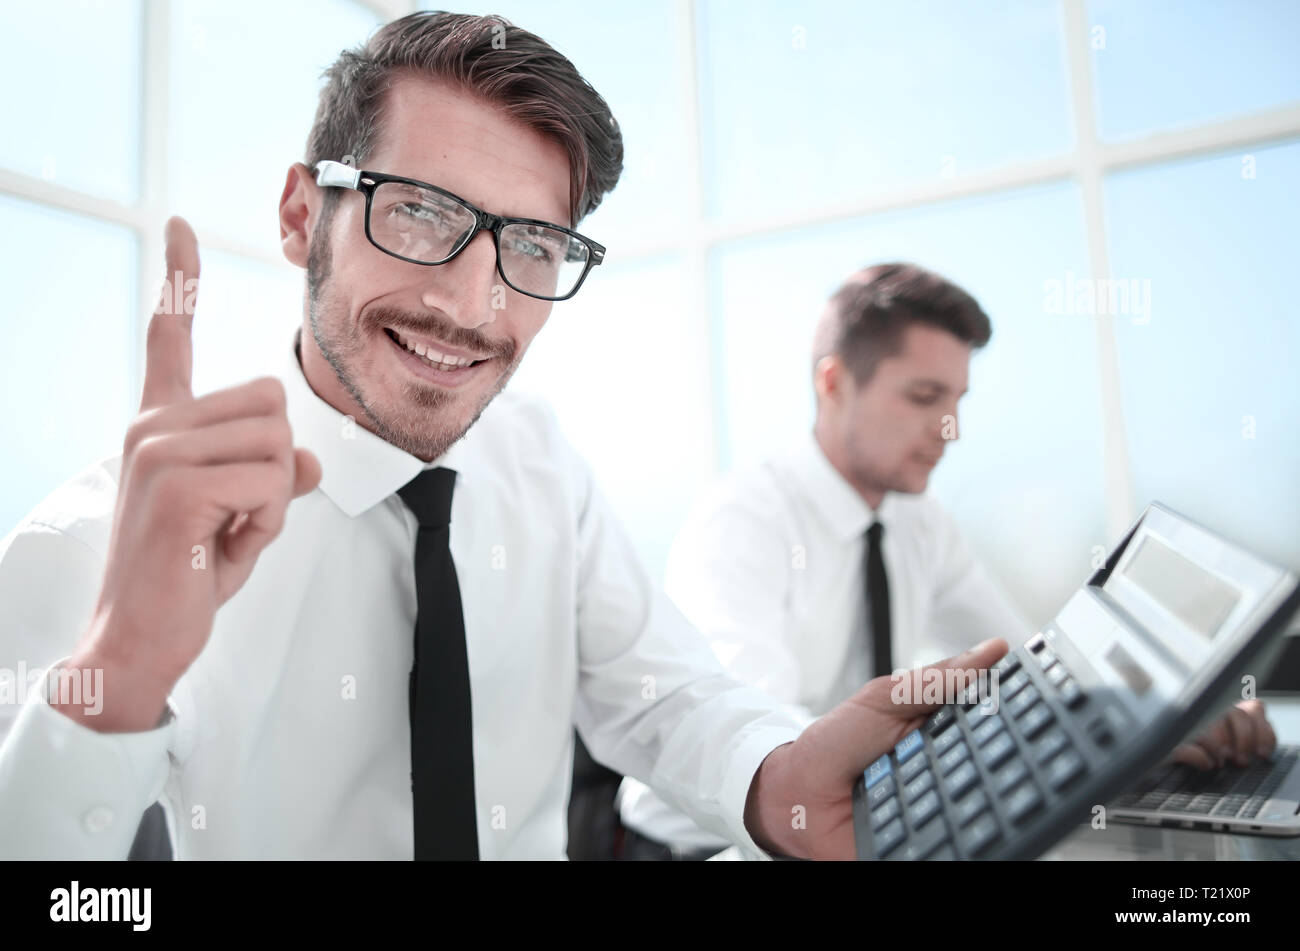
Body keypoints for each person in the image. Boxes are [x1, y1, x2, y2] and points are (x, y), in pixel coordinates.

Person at [0, 11, 1020, 862]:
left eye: (531, 243)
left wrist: (780, 777)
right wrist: (120, 669)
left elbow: (662, 696)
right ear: (302, 213)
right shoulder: (92, 546)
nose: (470, 303)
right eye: (418, 213)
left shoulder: (535, 461)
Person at [617, 263, 1280, 859]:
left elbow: (1020, 658)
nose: (949, 430)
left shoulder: (918, 520)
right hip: (713, 842)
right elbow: (757, 735)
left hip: (862, 824)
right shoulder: (743, 519)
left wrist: (1164, 713)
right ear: (834, 383)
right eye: (925, 397)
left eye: (959, 402)